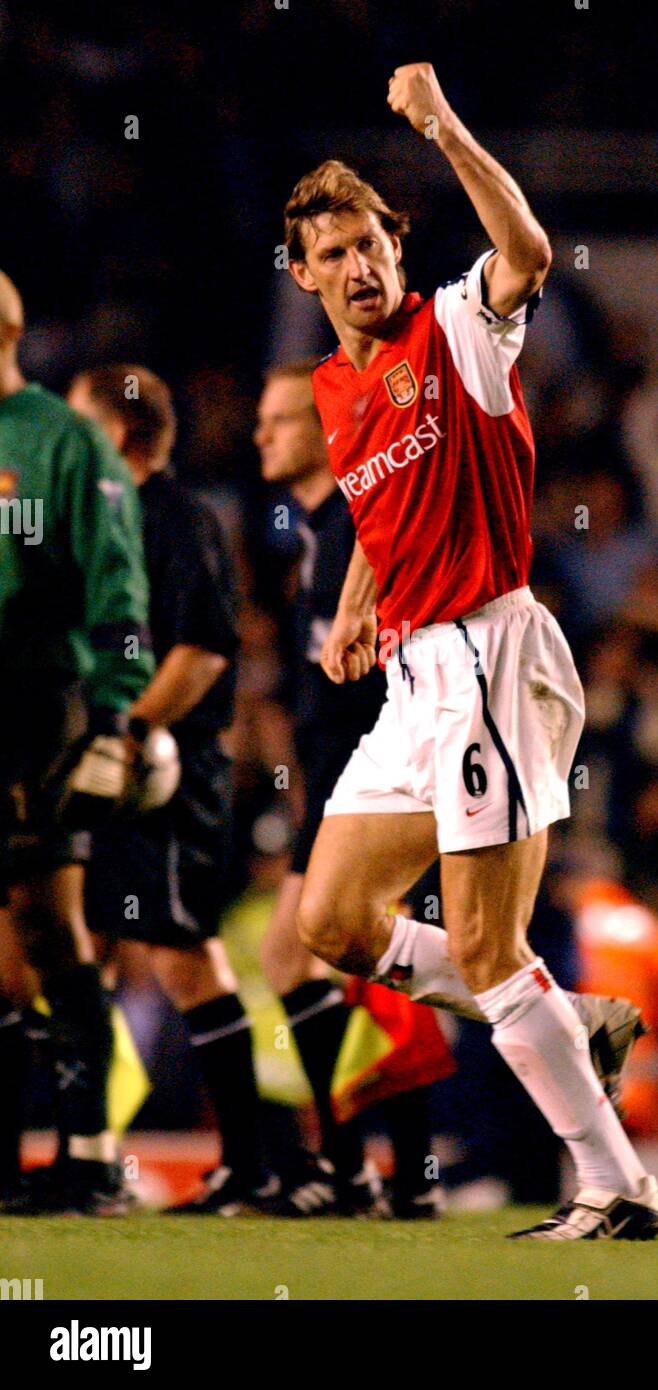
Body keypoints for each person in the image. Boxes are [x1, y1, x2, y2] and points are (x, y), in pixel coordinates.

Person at [278, 63, 658, 1240]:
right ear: (301, 274)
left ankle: (616, 1184)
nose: (357, 264)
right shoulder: (334, 390)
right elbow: (381, 508)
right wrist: (354, 599)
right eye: (331, 252)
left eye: (370, 242)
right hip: (410, 674)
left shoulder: (456, 326)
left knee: (490, 943)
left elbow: (530, 251)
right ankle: (562, 1012)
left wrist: (440, 125)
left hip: (490, 649)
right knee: (331, 920)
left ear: (397, 246)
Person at [66, 364, 280, 1215]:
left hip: (164, 775)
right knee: (84, 960)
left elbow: (204, 650)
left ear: (119, 435)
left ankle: (252, 1165)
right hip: (100, 771)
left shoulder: (179, 520)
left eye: (81, 428)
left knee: (186, 959)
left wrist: (130, 730)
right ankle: (89, 1159)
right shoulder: (101, 523)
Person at [256, 360, 455, 1217]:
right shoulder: (314, 535)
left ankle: (377, 1170)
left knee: (356, 963)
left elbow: (383, 679)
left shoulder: (351, 531)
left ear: (325, 433)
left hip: (371, 784)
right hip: (337, 785)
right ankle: (384, 1172)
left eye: (283, 420)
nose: (264, 434)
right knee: (352, 968)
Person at [0, 273, 155, 1214]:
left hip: (31, 708)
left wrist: (111, 719)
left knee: (52, 932)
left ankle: (91, 1156)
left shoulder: (62, 438)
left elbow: (118, 590)